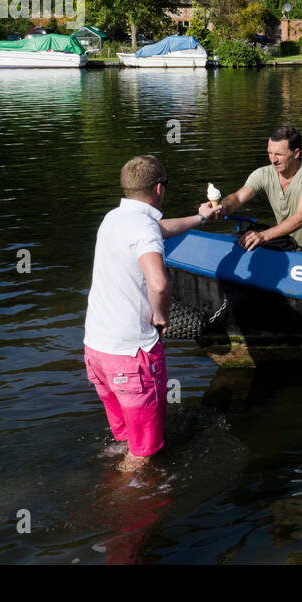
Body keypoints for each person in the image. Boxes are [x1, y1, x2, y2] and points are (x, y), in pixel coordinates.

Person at [84, 155, 211, 472]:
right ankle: (124, 510)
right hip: (132, 355)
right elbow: (158, 282)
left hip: (98, 351)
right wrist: (161, 316)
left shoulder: (113, 218)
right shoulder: (143, 229)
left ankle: (117, 473)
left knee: (126, 440)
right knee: (144, 455)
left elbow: (157, 229)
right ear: (159, 188)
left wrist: (200, 218)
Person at [205, 126, 302, 252]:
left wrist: (263, 235)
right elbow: (238, 197)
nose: (273, 160)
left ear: (296, 153)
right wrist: (221, 208)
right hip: (291, 244)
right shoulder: (262, 174)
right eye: (270, 153)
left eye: (279, 154)